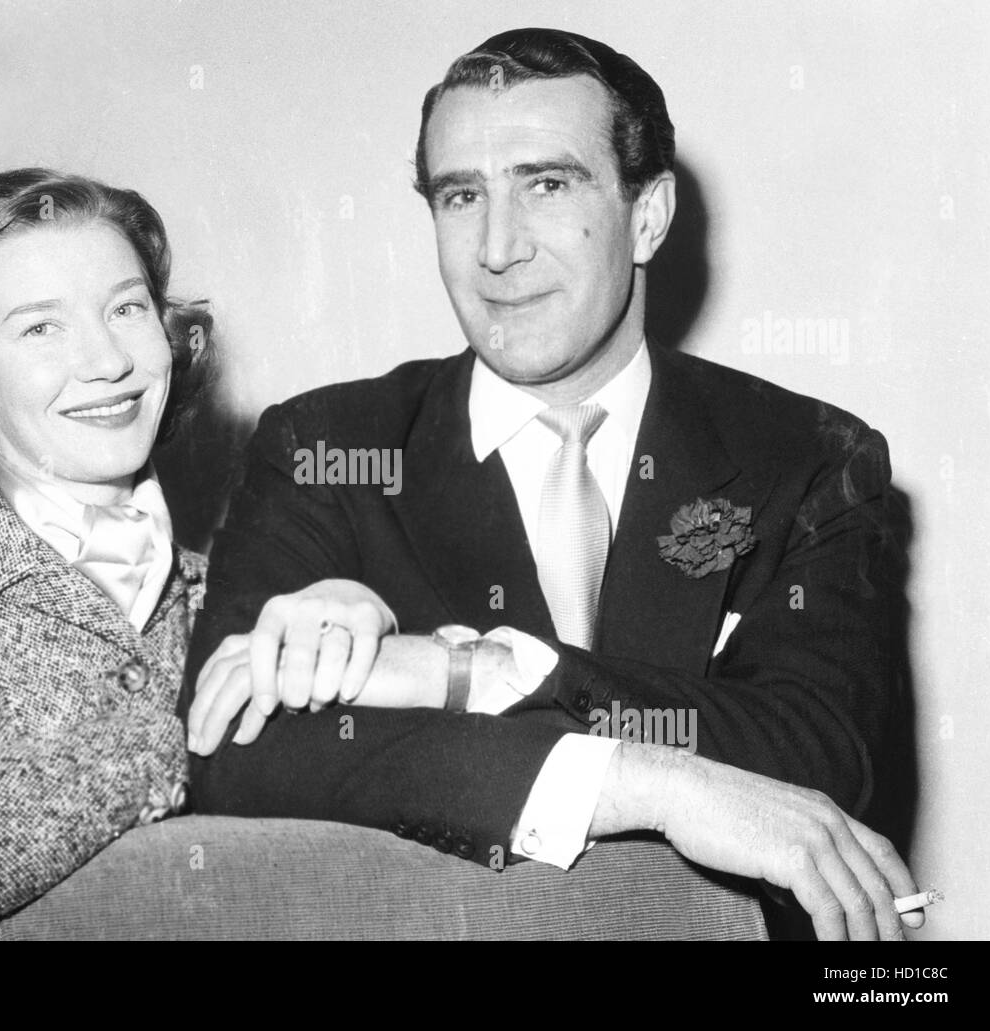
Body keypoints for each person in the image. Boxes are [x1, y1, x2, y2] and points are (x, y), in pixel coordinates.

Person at [182, 28, 923, 941]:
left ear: (647, 214)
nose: (496, 248)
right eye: (462, 196)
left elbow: (819, 753)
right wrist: (643, 781)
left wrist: (484, 674)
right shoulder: (325, 447)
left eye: (547, 184)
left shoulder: (807, 456)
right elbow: (236, 751)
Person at [0, 168, 375, 940]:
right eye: (40, 327)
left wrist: (386, 642)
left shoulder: (246, 591)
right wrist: (182, 718)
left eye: (126, 308)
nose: (107, 361)